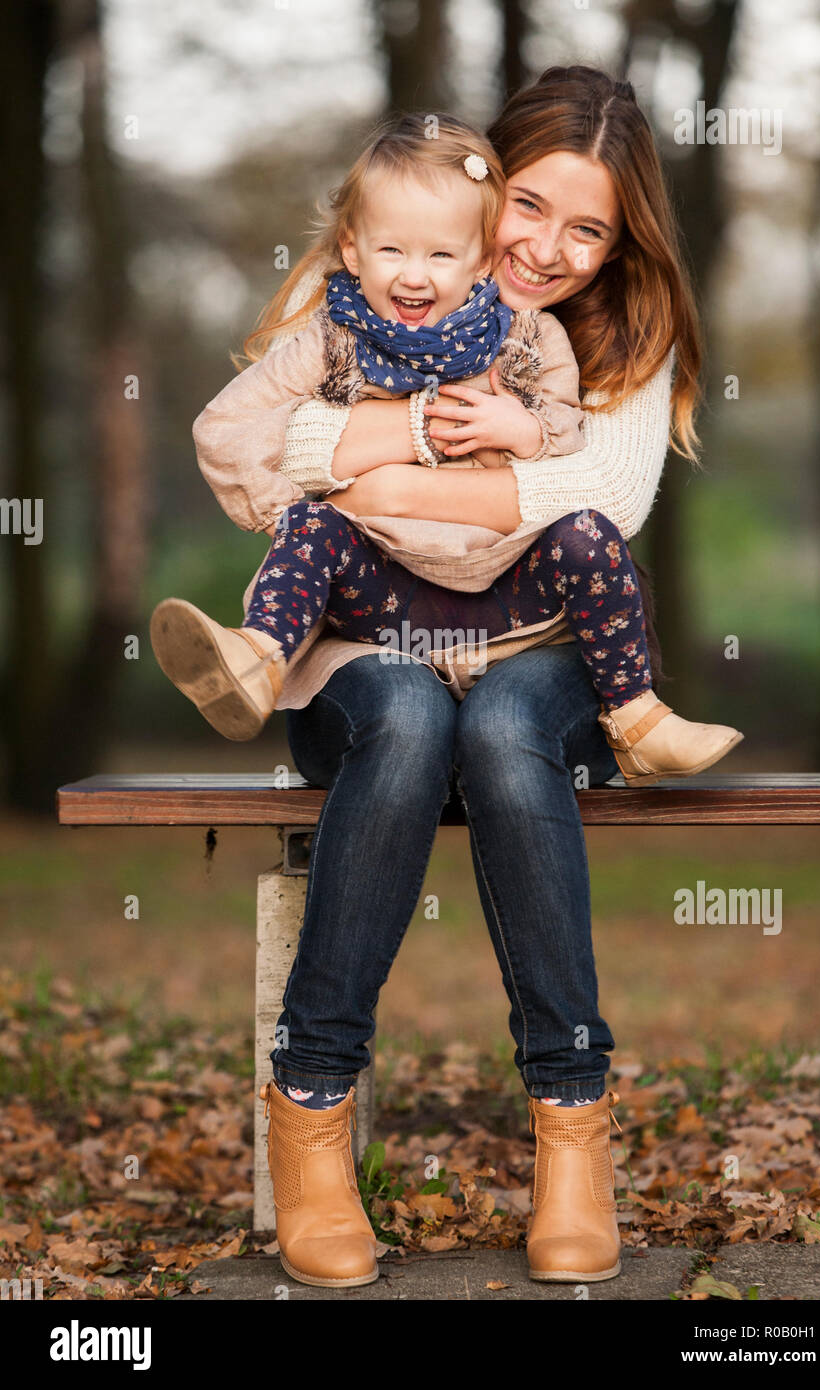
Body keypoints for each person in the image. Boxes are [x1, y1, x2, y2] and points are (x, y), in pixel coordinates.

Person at [153, 67, 743, 1290]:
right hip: (367, 637)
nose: (547, 248)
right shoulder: (368, 289)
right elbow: (277, 451)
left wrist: (373, 466)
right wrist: (430, 441)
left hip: (542, 643)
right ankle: (312, 1101)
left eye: (588, 228)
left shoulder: (626, 331)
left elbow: (598, 502)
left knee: (509, 730)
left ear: (621, 241)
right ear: (484, 190)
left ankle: (571, 1128)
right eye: (529, 206)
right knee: (413, 715)